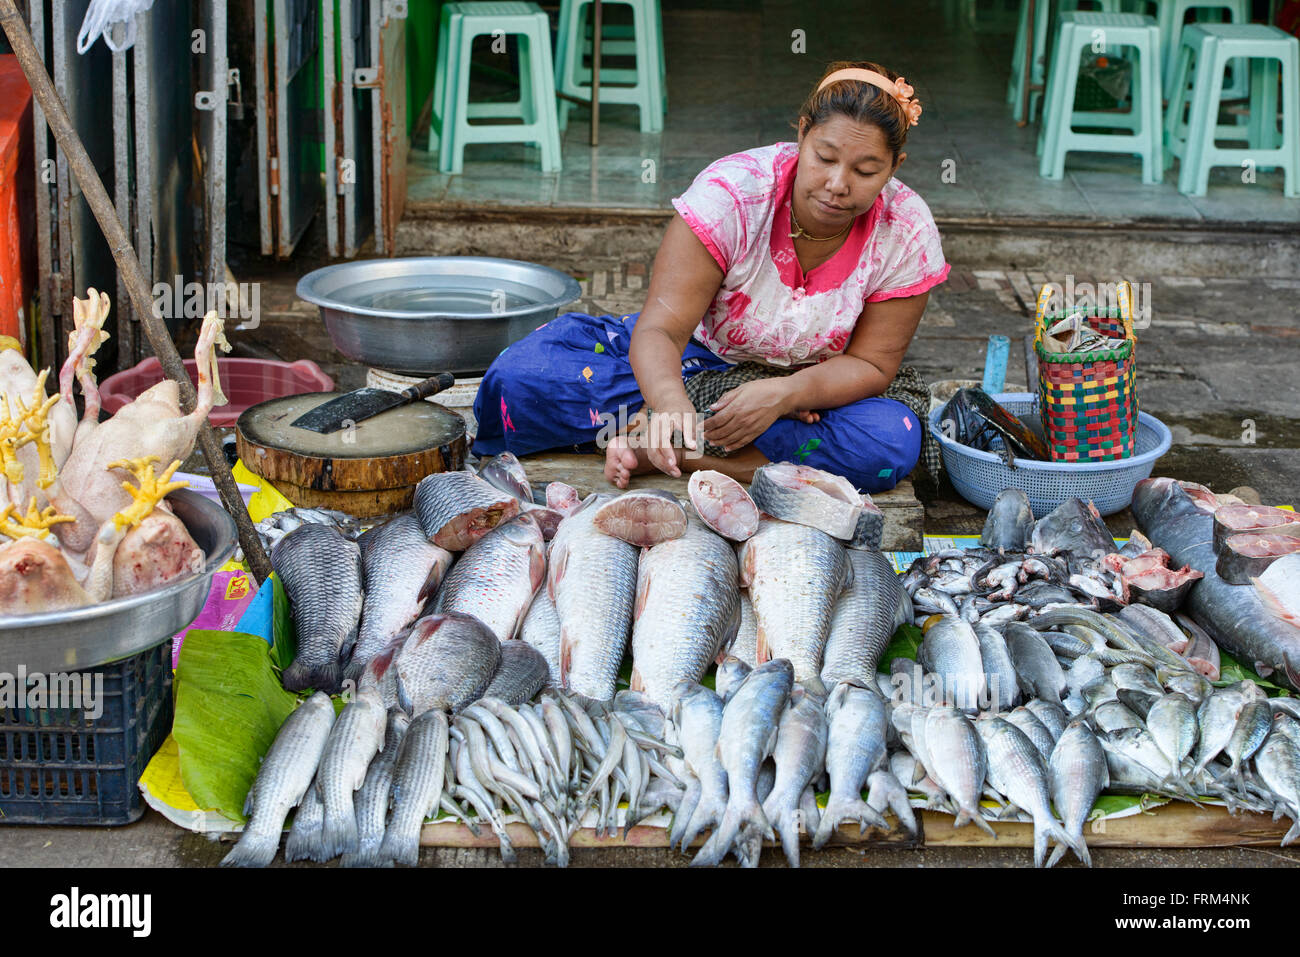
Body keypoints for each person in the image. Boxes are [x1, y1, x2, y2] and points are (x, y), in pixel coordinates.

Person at [472, 59, 949, 493]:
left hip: (819, 387)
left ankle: (672, 454)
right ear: (802, 133)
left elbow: (871, 366)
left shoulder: (905, 229)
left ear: (894, 167)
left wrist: (785, 394)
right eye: (825, 157)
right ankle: (691, 436)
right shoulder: (733, 195)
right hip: (699, 359)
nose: (838, 184)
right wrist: (669, 406)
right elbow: (661, 329)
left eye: (866, 170)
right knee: (519, 382)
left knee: (889, 442)